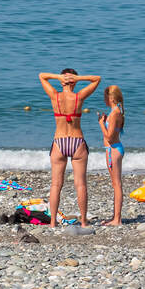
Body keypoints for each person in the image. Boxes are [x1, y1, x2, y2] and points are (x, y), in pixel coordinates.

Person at [39, 68, 100, 227]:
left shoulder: (55, 96)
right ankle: (84, 222)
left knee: (56, 185)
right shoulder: (79, 97)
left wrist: (58, 77)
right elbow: (97, 79)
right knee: (80, 184)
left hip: (59, 142)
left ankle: (52, 222)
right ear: (74, 81)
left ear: (62, 81)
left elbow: (42, 76)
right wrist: (78, 78)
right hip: (77, 141)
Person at [97, 84, 126, 226]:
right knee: (116, 184)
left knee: (116, 185)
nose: (104, 99)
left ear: (111, 98)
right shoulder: (116, 112)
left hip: (113, 150)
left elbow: (109, 136)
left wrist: (101, 123)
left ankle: (117, 219)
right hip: (114, 149)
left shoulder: (115, 113)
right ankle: (115, 217)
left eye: (105, 97)